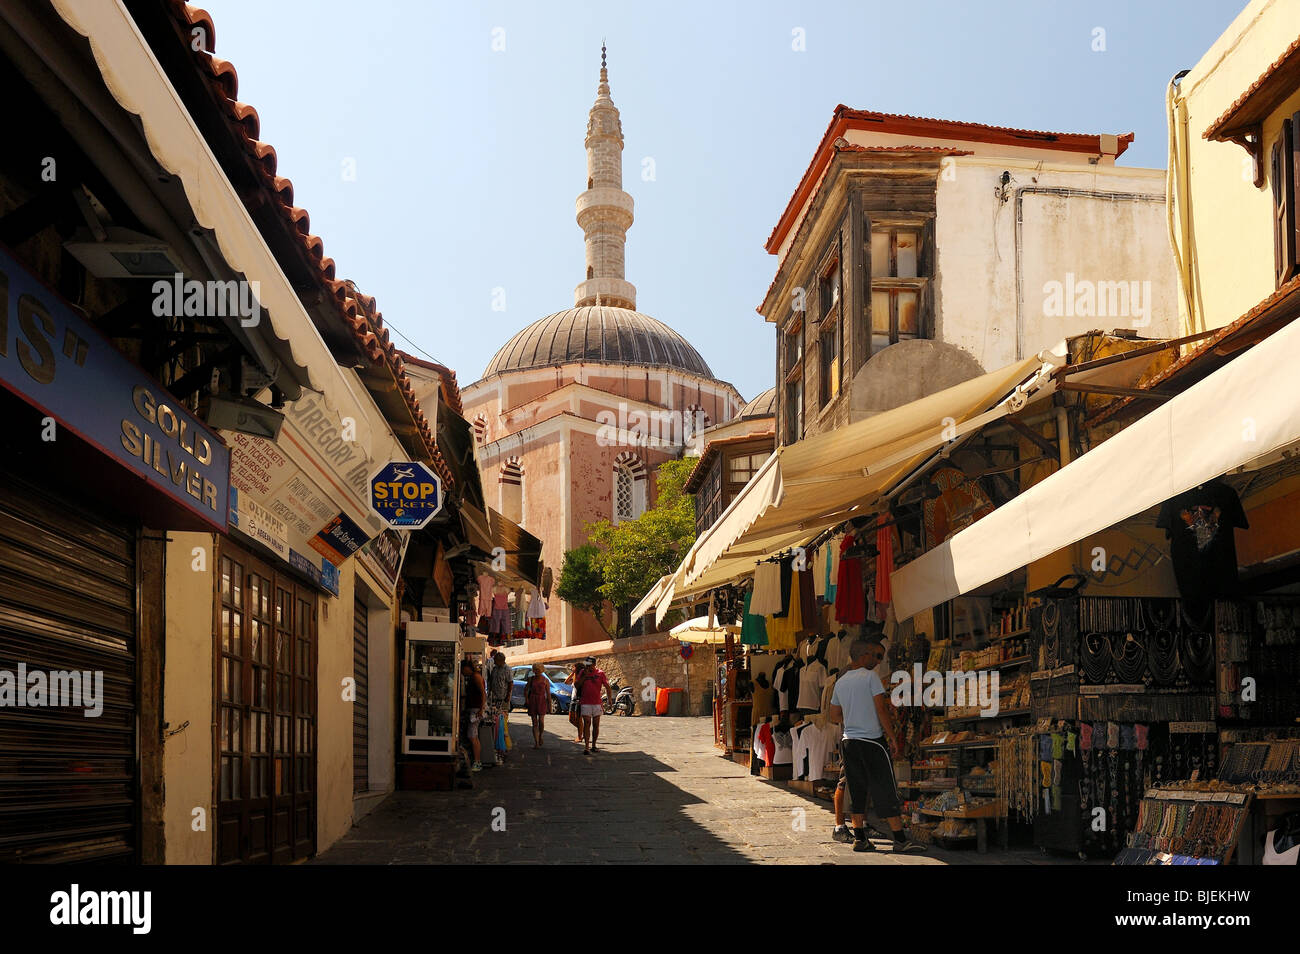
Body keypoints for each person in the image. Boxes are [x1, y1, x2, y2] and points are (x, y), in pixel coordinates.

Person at [828, 637, 922, 853]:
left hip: (849, 742)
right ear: (865, 655)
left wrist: (852, 713)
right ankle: (899, 839)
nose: (878, 661)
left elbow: (834, 716)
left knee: (858, 789)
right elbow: (882, 710)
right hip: (872, 741)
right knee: (885, 788)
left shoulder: (840, 682)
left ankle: (860, 838)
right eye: (876, 656)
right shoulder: (870, 677)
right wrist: (892, 738)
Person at [574, 655, 612, 754]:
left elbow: (607, 687)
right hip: (585, 702)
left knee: (596, 725)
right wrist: (584, 676)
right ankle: (586, 747)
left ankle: (594, 745)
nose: (588, 667)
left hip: (596, 703)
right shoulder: (582, 672)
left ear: (594, 664)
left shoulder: (600, 673)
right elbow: (577, 685)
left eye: (590, 665)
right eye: (587, 665)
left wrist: (609, 700)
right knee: (587, 723)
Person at [460, 658, 486, 772]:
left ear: (467, 668)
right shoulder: (472, 677)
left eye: (463, 669)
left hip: (476, 710)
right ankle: (476, 761)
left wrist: (481, 709)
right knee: (472, 735)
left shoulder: (476, 676)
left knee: (473, 736)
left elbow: (483, 693)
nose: (462, 672)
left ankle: (477, 762)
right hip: (474, 708)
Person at [488, 651, 513, 764]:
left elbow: (510, 683)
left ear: (502, 660)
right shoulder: (494, 669)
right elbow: (491, 682)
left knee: (503, 721)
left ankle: (505, 745)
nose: (496, 662)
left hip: (503, 698)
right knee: (495, 720)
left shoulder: (507, 669)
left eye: (497, 660)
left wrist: (508, 696)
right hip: (494, 697)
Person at [524, 663, 553, 748]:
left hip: (542, 701)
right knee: (534, 722)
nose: (536, 671)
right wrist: (527, 699)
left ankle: (540, 736)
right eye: (535, 670)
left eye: (538, 670)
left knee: (541, 721)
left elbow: (548, 694)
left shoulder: (545, 680)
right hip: (533, 700)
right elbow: (526, 690)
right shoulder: (531, 679)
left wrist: (550, 705)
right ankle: (536, 742)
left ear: (542, 670)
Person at [566, 661, 585, 743]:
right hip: (572, 699)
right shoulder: (574, 676)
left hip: (579, 699)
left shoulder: (581, 677)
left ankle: (580, 736)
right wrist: (572, 673)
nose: (572, 668)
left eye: (573, 667)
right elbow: (566, 682)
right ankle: (584, 731)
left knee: (578, 719)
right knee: (571, 719)